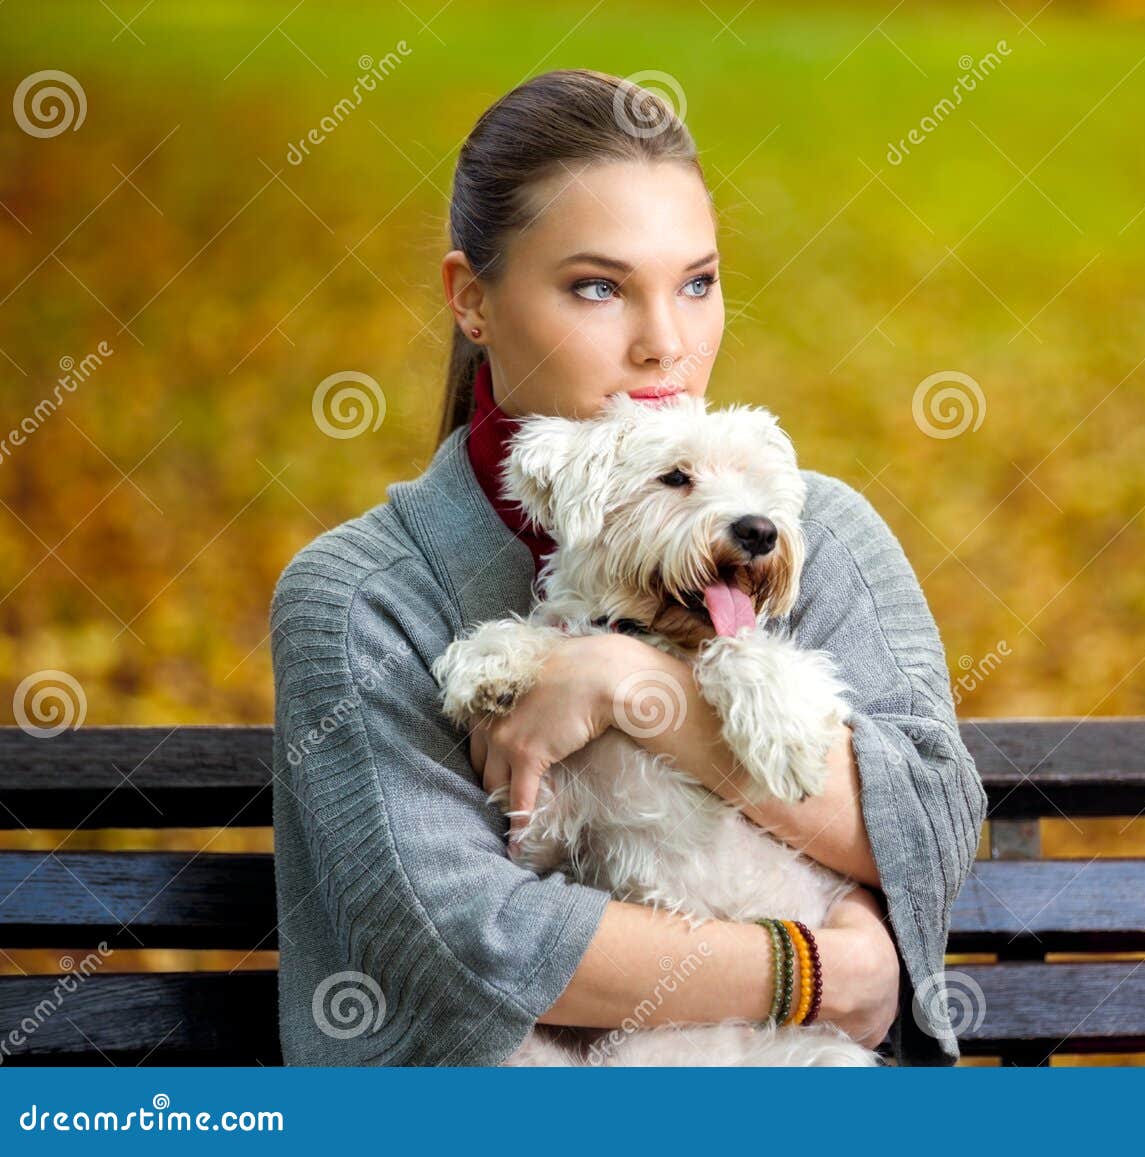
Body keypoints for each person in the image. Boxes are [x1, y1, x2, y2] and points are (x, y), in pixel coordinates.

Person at [269, 68, 985, 1066]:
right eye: (599, 287)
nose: (666, 344)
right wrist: (813, 971)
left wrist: (631, 682)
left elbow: (927, 827)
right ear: (470, 298)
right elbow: (466, 942)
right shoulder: (360, 597)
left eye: (697, 282)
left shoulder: (816, 532)